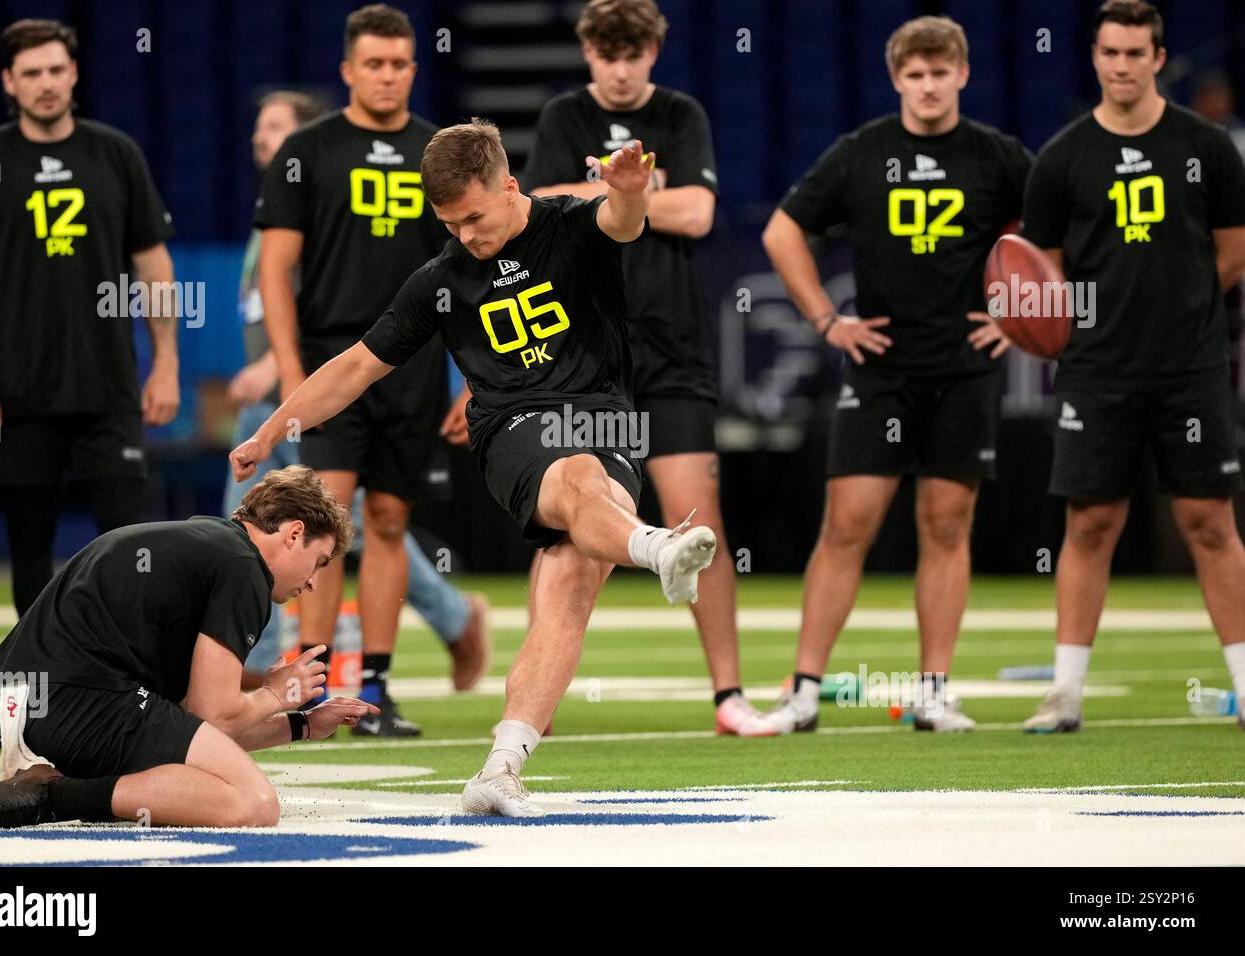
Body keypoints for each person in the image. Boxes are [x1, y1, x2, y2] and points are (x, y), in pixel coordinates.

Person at [232, 119, 718, 816]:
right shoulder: (441, 279)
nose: (466, 235)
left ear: (509, 186)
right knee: (578, 477)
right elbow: (356, 368)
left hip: (605, 418)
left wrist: (634, 190)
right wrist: (274, 429)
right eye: (451, 224)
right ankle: (658, 545)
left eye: (476, 218)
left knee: (570, 583)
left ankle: (502, 766)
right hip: (512, 429)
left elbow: (623, 218)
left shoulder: (569, 227)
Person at [761, 15, 1031, 732]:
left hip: (965, 366)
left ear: (963, 75)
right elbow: (782, 229)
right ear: (896, 78)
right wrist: (827, 320)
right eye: (915, 74)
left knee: (947, 524)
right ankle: (804, 691)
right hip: (880, 365)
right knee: (847, 523)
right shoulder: (863, 151)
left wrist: (1019, 315)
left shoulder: (998, 155)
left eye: (941, 72)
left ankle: (934, 691)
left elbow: (1064, 232)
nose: (929, 85)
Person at [518, 0, 763, 735]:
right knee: (577, 529)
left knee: (702, 521)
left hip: (673, 345)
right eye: (607, 53)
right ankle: (538, 696)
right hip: (588, 351)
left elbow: (700, 213)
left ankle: (729, 696)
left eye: (634, 53)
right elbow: (536, 206)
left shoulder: (682, 113)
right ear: (589, 52)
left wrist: (604, 194)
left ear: (653, 52)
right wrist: (634, 191)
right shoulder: (563, 116)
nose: (621, 68)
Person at [253, 5, 478, 734]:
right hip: (331, 363)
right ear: (348, 71)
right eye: (373, 63)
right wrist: (292, 373)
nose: (387, 75)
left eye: (400, 63)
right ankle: (316, 688)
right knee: (323, 526)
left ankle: (375, 689)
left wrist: (470, 378)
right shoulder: (307, 150)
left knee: (387, 521)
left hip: (412, 367)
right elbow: (276, 273)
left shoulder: (436, 152)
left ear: (415, 68)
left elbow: (468, 271)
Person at [1020, 0, 1245, 732]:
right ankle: (1066, 694)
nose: (1120, 66)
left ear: (1158, 58)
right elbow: (1044, 271)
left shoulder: (1207, 147)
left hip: (1191, 368)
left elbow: (1234, 245)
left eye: (1134, 53)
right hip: (1097, 371)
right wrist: (1084, 327)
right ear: (1095, 57)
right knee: (1089, 523)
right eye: (1109, 53)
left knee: (1210, 521)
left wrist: (1181, 309)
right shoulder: (1060, 158)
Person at [0, 466, 375, 830]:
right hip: (75, 703)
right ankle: (50, 796)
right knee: (252, 802)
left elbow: (191, 726)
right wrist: (275, 695)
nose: (313, 582)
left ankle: (51, 785)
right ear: (294, 532)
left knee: (184, 768)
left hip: (16, 700)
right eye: (319, 561)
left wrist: (302, 724)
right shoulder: (244, 568)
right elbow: (215, 716)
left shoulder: (204, 545)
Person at [0, 18, 179, 615]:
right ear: (8, 81)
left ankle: (127, 688)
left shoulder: (116, 154)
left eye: (55, 70)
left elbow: (154, 266)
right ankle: (37, 694)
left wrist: (167, 364)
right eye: (31, 73)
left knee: (125, 546)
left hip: (108, 388)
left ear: (73, 73)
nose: (46, 83)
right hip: (16, 393)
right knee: (29, 553)